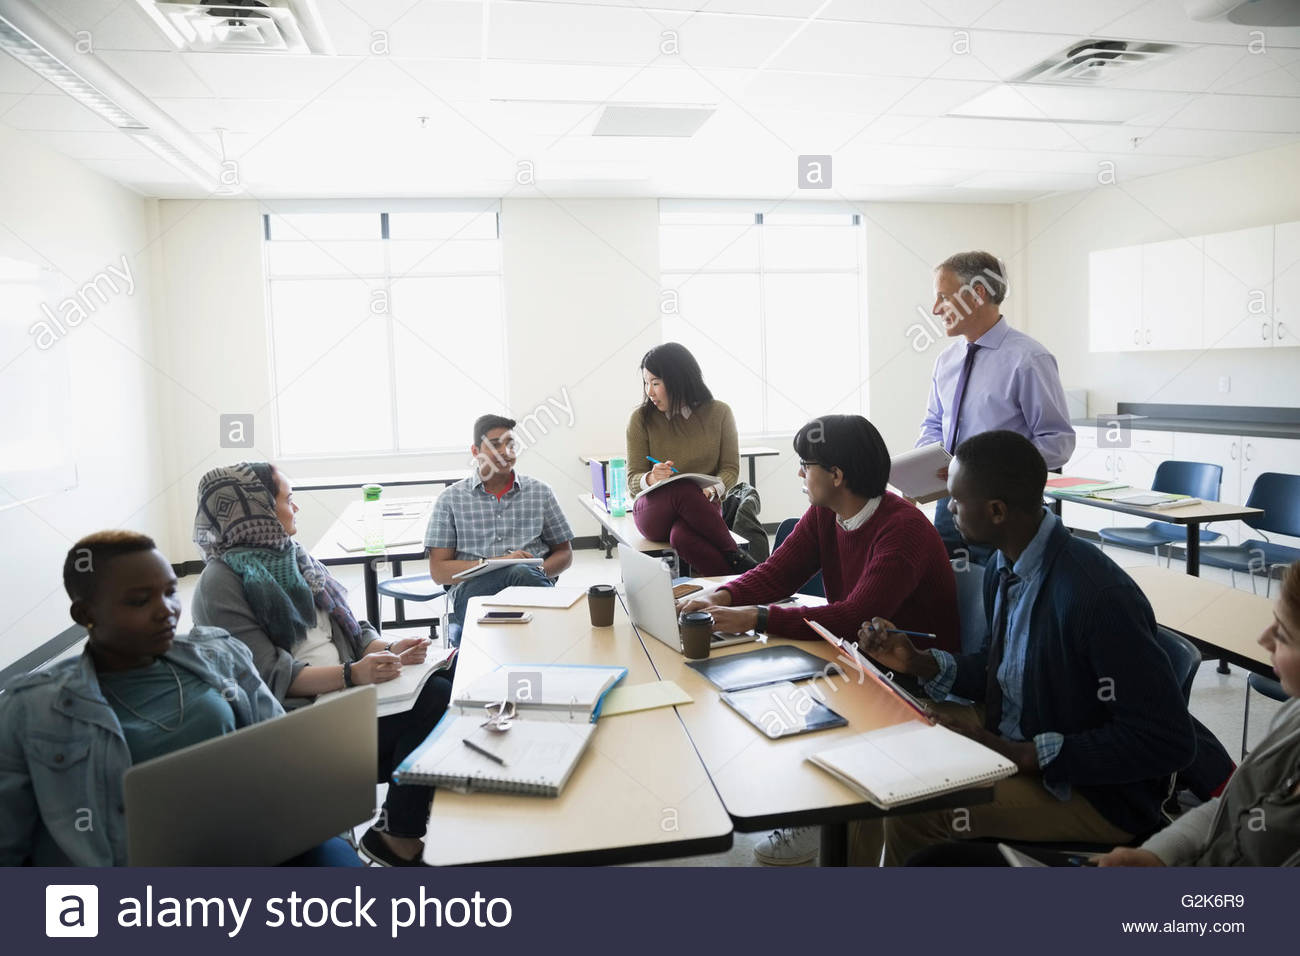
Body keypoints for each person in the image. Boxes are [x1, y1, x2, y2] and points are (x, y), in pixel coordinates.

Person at [855, 430, 1194, 866]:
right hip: (1013, 740)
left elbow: (1166, 741)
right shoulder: (1004, 565)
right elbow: (1001, 670)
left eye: (956, 499)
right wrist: (917, 662)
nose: (949, 508)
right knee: (878, 751)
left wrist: (1023, 754)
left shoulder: (1095, 596)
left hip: (1092, 795)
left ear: (996, 511)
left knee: (914, 809)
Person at [681, 415, 959, 867]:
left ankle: (828, 815)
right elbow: (777, 573)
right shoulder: (826, 513)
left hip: (911, 679)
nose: (798, 473)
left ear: (836, 475)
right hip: (858, 662)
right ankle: (832, 822)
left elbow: (853, 617)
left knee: (785, 692)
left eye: (804, 463)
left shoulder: (901, 529)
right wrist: (721, 594)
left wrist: (756, 616)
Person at [0, 530, 357, 866]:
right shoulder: (30, 709)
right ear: (86, 615)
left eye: (170, 592)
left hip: (247, 842)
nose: (166, 610)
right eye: (140, 600)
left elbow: (285, 755)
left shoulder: (220, 654)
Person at [911, 561, 1300, 867]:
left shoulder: (1088, 590)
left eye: (1282, 634)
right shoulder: (1292, 718)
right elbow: (1227, 807)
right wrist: (1157, 855)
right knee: (935, 863)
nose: (1264, 640)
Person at [190, 463, 449, 866]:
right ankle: (397, 833)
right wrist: (352, 674)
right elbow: (265, 676)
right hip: (299, 722)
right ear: (254, 509)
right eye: (287, 499)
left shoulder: (293, 555)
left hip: (343, 697)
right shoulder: (219, 583)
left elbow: (352, 628)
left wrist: (390, 647)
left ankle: (397, 829)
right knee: (438, 704)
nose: (296, 508)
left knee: (444, 686)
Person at [916, 251, 1074, 557]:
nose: (935, 309)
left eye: (943, 298)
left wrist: (991, 471)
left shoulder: (1028, 359)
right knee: (950, 594)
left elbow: (1058, 442)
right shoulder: (946, 361)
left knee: (1000, 597)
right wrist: (924, 465)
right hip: (947, 503)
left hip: (1002, 510)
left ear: (976, 294)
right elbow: (934, 423)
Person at [426, 414, 574, 641]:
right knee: (519, 573)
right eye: (495, 445)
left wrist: (538, 572)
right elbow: (439, 572)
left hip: (532, 584)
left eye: (511, 444)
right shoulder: (450, 499)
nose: (506, 452)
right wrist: (499, 564)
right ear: (475, 452)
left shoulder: (540, 492)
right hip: (474, 591)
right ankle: (561, 631)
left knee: (522, 576)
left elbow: (564, 552)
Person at [626, 342, 756, 576]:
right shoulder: (640, 419)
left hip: (703, 508)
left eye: (656, 383)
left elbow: (730, 469)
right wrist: (651, 477)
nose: (649, 391)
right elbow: (632, 479)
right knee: (684, 489)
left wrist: (713, 489)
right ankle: (738, 558)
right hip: (653, 512)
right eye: (646, 383)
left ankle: (738, 585)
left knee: (682, 538)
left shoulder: (720, 413)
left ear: (679, 380)